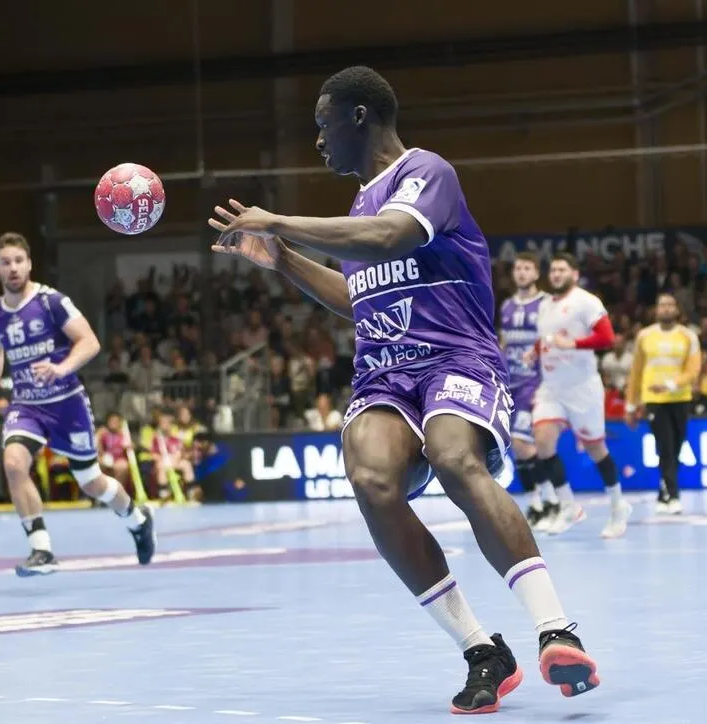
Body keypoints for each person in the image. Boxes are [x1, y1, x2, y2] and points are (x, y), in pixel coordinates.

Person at [207, 65, 599, 714]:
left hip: (455, 358)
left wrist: (278, 222)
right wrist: (282, 260)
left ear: (359, 116)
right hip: (385, 371)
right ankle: (481, 649)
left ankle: (556, 629)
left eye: (322, 124)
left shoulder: (426, 174)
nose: (318, 141)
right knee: (370, 478)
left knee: (453, 457)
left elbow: (392, 235)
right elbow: (354, 297)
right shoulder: (360, 206)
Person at [0, 232, 156, 577]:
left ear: (29, 264)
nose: (13, 268)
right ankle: (41, 550)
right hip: (27, 406)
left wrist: (60, 368)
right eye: (6, 263)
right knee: (14, 463)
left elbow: (89, 342)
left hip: (66, 404)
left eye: (19, 260)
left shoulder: (51, 302)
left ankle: (137, 519)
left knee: (91, 481)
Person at [524, 253, 629, 538]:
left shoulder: (586, 301)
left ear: (574, 273)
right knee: (543, 441)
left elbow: (606, 338)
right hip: (551, 388)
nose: (556, 274)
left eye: (562, 270)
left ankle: (619, 508)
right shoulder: (545, 305)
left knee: (597, 450)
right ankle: (569, 507)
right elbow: (547, 337)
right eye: (553, 270)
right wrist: (534, 351)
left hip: (582, 388)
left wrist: (574, 343)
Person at [498, 253, 560, 530]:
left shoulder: (547, 303)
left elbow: (554, 341)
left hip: (536, 383)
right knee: (519, 448)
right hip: (510, 383)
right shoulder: (508, 306)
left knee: (523, 442)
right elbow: (504, 343)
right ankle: (537, 503)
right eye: (518, 269)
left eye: (527, 268)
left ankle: (549, 499)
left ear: (537, 273)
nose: (521, 273)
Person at [626, 292, 701, 514]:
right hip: (654, 400)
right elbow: (636, 373)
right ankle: (673, 495)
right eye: (662, 305)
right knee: (665, 446)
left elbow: (693, 370)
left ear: (677, 310)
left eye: (670, 305)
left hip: (680, 398)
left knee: (676, 447)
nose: (666, 308)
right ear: (656, 310)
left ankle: (664, 492)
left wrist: (670, 384)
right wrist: (631, 405)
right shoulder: (644, 336)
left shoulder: (689, 336)